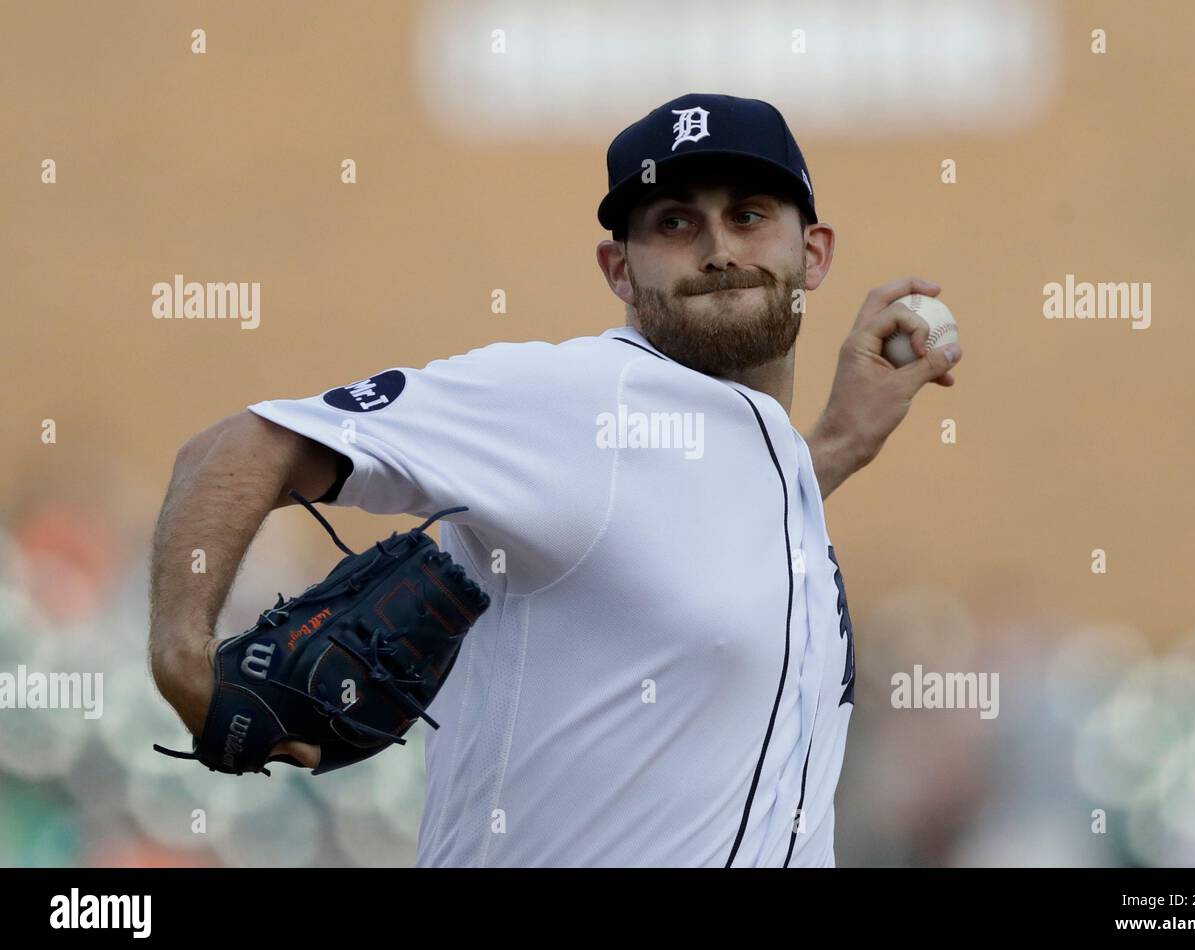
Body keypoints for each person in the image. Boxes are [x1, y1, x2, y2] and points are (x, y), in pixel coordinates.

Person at [148, 92, 961, 866]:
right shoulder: (569, 399)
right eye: (675, 222)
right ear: (618, 268)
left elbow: (685, 533)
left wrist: (841, 443)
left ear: (813, 254)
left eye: (748, 214)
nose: (718, 249)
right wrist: (187, 667)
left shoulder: (767, 467)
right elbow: (239, 447)